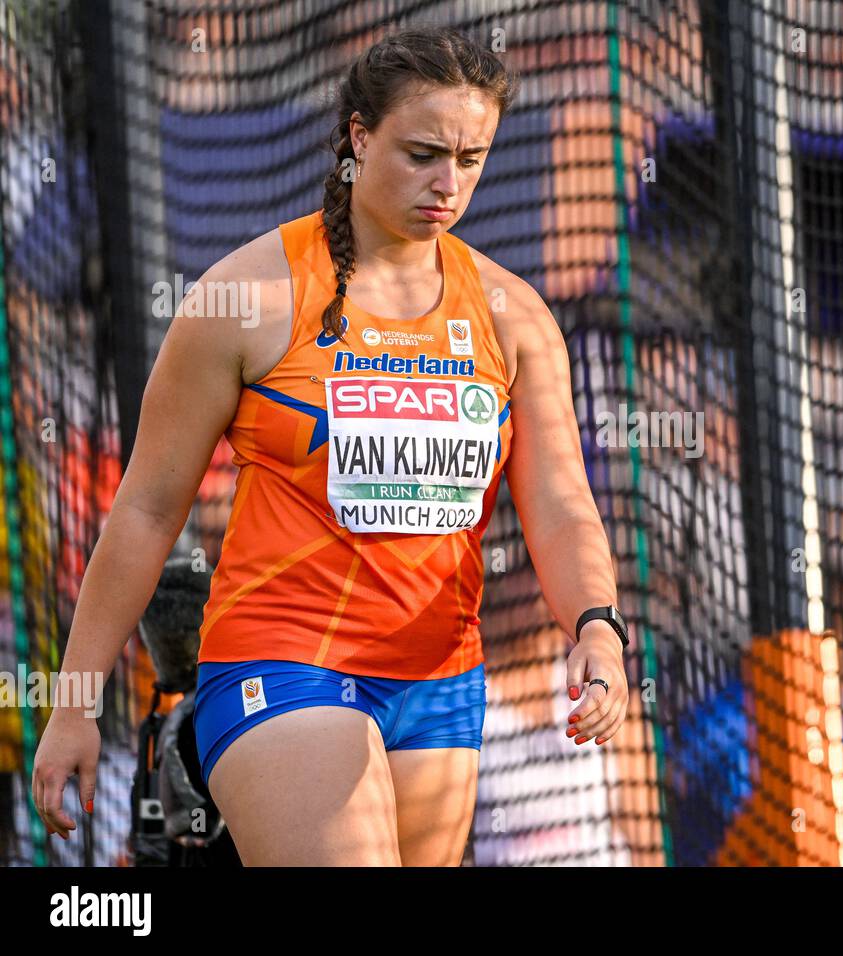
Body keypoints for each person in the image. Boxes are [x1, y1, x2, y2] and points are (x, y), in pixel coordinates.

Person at [30, 24, 631, 866]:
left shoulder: (512, 315)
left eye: (470, 158)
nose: (447, 184)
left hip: (437, 682)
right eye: (422, 153)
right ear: (358, 136)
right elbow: (145, 510)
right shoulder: (250, 295)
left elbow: (563, 504)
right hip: (282, 660)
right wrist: (75, 702)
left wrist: (596, 626)